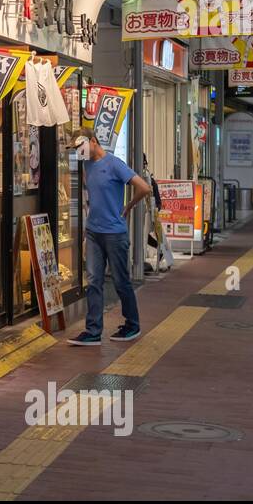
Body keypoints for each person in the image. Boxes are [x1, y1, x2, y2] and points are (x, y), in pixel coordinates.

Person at [66, 128, 152, 346]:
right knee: (94, 281)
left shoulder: (114, 164)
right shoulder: (87, 165)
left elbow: (144, 188)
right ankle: (93, 330)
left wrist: (128, 207)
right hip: (94, 232)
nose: (79, 152)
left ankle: (132, 325)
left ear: (93, 141)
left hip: (114, 233)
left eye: (81, 147)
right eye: (76, 149)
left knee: (121, 280)